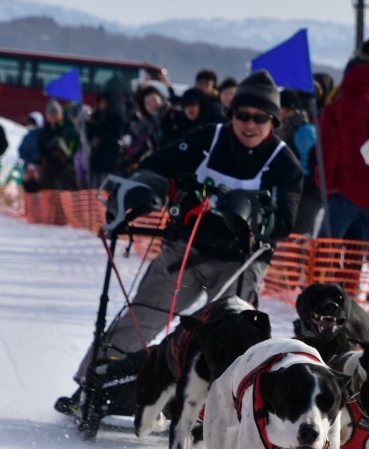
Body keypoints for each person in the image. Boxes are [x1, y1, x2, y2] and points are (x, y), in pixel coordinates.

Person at [59, 70, 303, 421]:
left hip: (241, 260)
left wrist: (255, 214)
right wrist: (146, 190)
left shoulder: (284, 163)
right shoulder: (210, 138)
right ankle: (89, 385)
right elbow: (156, 165)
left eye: (260, 118)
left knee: (233, 334)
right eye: (242, 115)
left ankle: (226, 411)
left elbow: (285, 221)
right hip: (188, 248)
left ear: (273, 121)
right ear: (230, 114)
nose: (250, 124)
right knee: (143, 315)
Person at [319, 53, 369, 243]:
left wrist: (325, 187)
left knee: (323, 255)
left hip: (345, 194)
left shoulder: (335, 108)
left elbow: (328, 155)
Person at [279, 90, 321, 235]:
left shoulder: (304, 130)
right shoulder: (287, 128)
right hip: (296, 190)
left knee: (299, 236)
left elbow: (308, 165)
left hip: (308, 192)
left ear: (286, 109)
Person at [116, 85, 169, 174]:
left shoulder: (170, 115)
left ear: (161, 99)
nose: (152, 105)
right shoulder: (148, 123)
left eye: (154, 100)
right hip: (159, 163)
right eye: (147, 103)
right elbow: (136, 135)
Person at [31, 100, 80, 191]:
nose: (54, 116)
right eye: (51, 113)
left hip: (63, 168)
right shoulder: (44, 131)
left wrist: (67, 157)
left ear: (60, 115)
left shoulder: (66, 130)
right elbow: (39, 147)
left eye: (56, 113)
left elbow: (73, 146)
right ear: (47, 115)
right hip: (47, 168)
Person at [86, 93, 126, 188]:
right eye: (101, 103)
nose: (102, 106)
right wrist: (89, 124)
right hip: (96, 161)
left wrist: (100, 137)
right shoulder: (95, 117)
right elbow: (88, 136)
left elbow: (117, 137)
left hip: (110, 162)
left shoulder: (117, 119)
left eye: (105, 103)